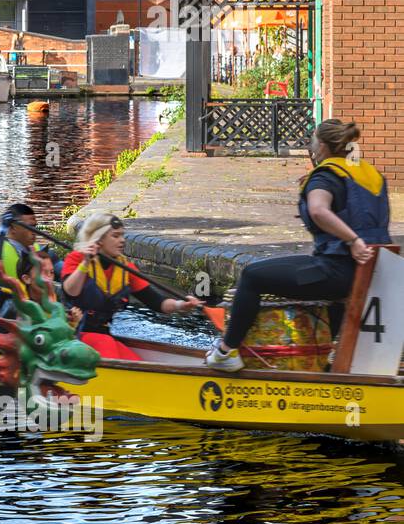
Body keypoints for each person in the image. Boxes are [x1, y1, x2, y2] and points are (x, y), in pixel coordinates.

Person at [206, 119, 392, 371]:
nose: (311, 149)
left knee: (252, 276)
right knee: (332, 297)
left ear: (324, 147)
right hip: (374, 272)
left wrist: (352, 240)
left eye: (312, 143)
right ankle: (325, 357)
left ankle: (226, 353)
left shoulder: (325, 176)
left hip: (339, 271)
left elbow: (318, 211)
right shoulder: (371, 175)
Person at [62, 213, 203, 361]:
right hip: (74, 334)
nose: (122, 241)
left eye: (122, 235)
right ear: (99, 239)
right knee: (106, 344)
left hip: (104, 334)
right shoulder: (77, 258)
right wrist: (85, 263)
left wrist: (181, 304)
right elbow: (71, 290)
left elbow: (157, 302)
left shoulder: (125, 268)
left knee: (133, 359)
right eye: (115, 236)